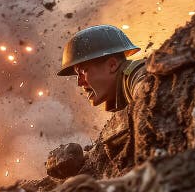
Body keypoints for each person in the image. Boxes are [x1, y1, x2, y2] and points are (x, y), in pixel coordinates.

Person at [58, 24, 148, 168]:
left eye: (83, 72)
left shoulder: (136, 73)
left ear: (112, 65)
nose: (79, 82)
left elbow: (147, 98)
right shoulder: (121, 95)